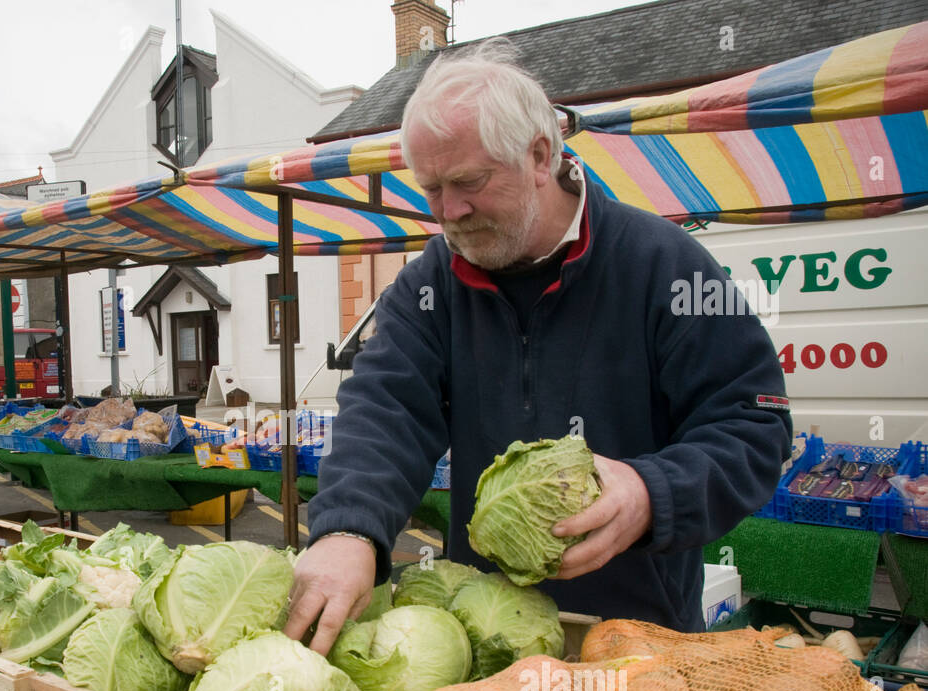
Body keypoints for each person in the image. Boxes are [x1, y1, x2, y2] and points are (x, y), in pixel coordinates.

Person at [285, 39, 792, 655]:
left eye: (469, 181)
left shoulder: (664, 265)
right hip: (488, 640)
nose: (449, 211)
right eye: (431, 188)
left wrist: (649, 494)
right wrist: (348, 530)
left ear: (541, 155)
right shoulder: (433, 282)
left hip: (635, 640)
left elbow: (751, 426)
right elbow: (384, 410)